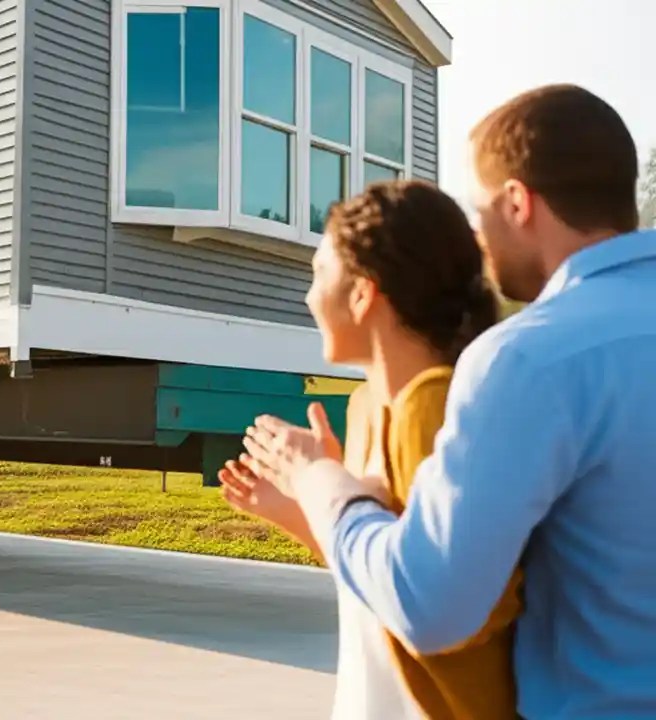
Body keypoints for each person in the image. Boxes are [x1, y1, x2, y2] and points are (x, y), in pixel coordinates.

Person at [241, 84, 656, 718]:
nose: (477, 237)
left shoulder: (527, 359)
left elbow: (430, 606)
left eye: (480, 208)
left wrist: (320, 481)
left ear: (517, 202)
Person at [221, 180, 519, 719]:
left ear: (362, 294)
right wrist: (299, 507)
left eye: (318, 274)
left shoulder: (435, 405)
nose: (308, 296)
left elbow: (448, 602)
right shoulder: (363, 409)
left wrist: (319, 478)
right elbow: (375, 576)